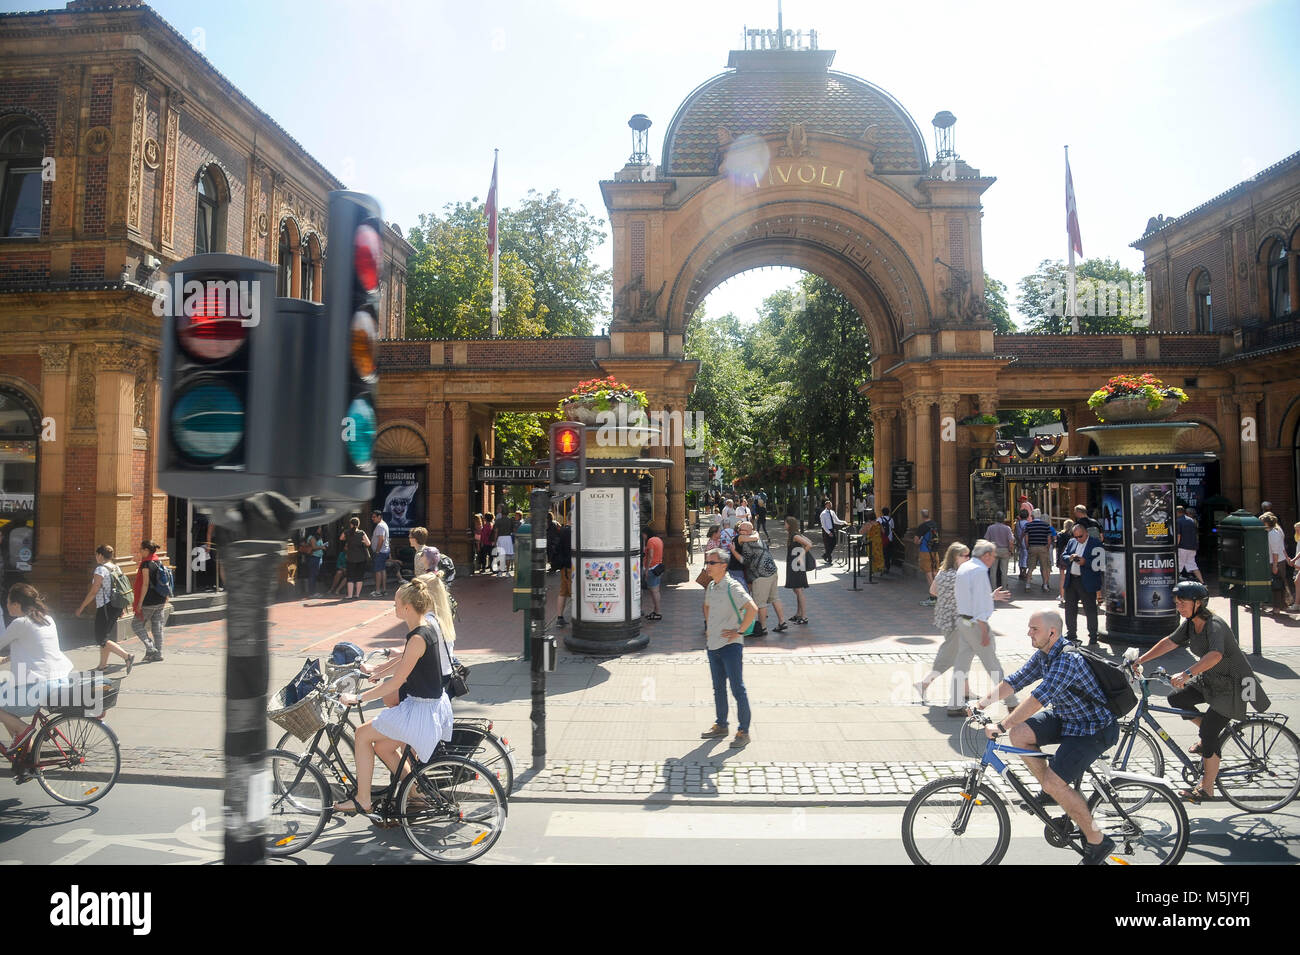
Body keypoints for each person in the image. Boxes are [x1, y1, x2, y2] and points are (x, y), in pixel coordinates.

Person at [969, 609, 1121, 864]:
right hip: (1067, 718)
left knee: (1050, 777)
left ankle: (1098, 840)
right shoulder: (1045, 654)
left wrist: (1002, 726)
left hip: (1093, 728)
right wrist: (981, 704)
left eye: (1034, 629)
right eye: (1029, 628)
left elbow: (1038, 699)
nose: (1028, 632)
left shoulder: (1067, 660)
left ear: (1052, 632)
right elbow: (1016, 680)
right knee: (1020, 734)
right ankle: (1053, 791)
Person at [1133, 580, 1272, 802]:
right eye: (1177, 602)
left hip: (1232, 686)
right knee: (1177, 698)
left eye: (1183, 602)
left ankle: (1207, 788)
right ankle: (1210, 733)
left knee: (1208, 733)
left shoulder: (1214, 624)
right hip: (1211, 680)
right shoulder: (1190, 623)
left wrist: (1187, 674)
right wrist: (1140, 659)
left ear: (1198, 603)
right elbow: (1169, 642)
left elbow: (1215, 655)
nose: (1178, 606)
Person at [334, 578, 454, 815]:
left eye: (396, 603)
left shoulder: (418, 636)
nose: (394, 608)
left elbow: (397, 682)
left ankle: (363, 799)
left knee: (361, 734)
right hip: (426, 706)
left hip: (421, 711)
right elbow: (403, 661)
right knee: (383, 747)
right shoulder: (424, 630)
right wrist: (378, 672)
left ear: (407, 607)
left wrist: (358, 698)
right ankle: (416, 793)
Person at [0, 583, 75, 748]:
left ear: (17, 604)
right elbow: (37, 650)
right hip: (59, 681)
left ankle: (22, 730)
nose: (6, 606)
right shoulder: (47, 619)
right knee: (4, 695)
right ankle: (27, 758)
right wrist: (6, 659)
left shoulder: (20, 623)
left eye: (8, 602)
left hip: (37, 687)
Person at [700, 547, 757, 749]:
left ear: (723, 566)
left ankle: (744, 731)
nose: (707, 566)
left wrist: (739, 632)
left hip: (730, 647)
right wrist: (709, 628)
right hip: (713, 644)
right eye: (707, 562)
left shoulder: (732, 586)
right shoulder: (712, 586)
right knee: (718, 689)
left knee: (737, 689)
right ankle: (722, 725)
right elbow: (706, 606)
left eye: (711, 563)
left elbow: (752, 608)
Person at [951, 540, 1013, 717]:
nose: (994, 559)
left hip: (963, 621)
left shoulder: (966, 567)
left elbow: (971, 597)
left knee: (961, 664)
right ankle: (1011, 701)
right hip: (975, 625)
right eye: (993, 555)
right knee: (992, 664)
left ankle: (954, 704)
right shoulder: (978, 571)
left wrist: (991, 596)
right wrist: (984, 630)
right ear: (986, 555)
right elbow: (978, 607)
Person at [915, 542, 976, 707]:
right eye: (964, 555)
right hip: (958, 623)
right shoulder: (959, 575)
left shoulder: (942, 573)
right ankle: (924, 684)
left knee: (963, 655)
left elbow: (932, 591)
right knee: (948, 657)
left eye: (968, 554)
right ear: (955, 558)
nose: (968, 558)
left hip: (947, 620)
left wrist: (947, 599)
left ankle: (965, 690)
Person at [75, 544, 133, 674]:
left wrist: (81, 607)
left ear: (100, 555)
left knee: (101, 638)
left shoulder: (100, 570)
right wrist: (122, 608)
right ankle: (102, 665)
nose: (96, 557)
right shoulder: (116, 567)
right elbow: (120, 588)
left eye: (96, 555)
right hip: (116, 605)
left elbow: (94, 591)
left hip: (106, 607)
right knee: (104, 636)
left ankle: (127, 657)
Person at [1058, 521, 1104, 645]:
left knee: (1090, 609)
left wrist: (1085, 562)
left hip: (1087, 580)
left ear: (1086, 533)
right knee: (1070, 608)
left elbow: (1100, 563)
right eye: (1076, 536)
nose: (1078, 539)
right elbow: (1064, 556)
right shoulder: (1072, 542)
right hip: (1072, 579)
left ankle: (1093, 635)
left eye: (1081, 536)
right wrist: (1071, 558)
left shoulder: (1096, 543)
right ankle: (1071, 633)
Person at [738, 520, 786, 634]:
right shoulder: (757, 538)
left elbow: (745, 561)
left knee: (760, 604)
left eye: (741, 530)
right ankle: (782, 621)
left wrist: (734, 552)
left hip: (761, 575)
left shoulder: (746, 543)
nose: (739, 532)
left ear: (747, 531)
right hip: (772, 570)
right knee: (775, 597)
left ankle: (763, 628)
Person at [131, 540, 170, 662]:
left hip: (149, 601)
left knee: (136, 624)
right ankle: (158, 654)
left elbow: (145, 584)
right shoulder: (159, 561)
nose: (139, 552)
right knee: (157, 628)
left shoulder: (146, 564)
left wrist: (140, 603)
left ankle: (150, 647)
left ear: (146, 550)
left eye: (141, 549)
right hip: (160, 599)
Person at [784, 516, 813, 625]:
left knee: (798, 590)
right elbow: (809, 542)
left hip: (796, 564)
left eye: (785, 523)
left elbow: (809, 544)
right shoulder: (795, 535)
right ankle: (799, 614)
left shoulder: (795, 535)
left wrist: (801, 556)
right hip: (794, 564)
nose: (784, 525)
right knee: (797, 590)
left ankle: (804, 616)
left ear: (790, 525)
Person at [1262, 512, 1290, 614]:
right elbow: (1281, 547)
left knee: (1276, 585)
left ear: (1266, 523)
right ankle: (1283, 605)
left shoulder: (1271, 534)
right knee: (1280, 583)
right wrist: (1287, 558)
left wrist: (1274, 565)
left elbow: (1275, 551)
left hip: (1275, 561)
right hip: (1280, 561)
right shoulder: (1277, 531)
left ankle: (1276, 608)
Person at [1022, 509, 1056, 593]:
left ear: (1032, 516)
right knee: (1044, 567)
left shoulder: (1028, 525)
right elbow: (1049, 539)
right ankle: (1045, 585)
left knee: (1030, 567)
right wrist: (1047, 548)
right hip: (1043, 547)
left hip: (1032, 547)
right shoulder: (1045, 525)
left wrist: (1027, 547)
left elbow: (1026, 538)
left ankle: (1028, 585)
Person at [914, 509, 940, 605]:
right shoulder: (935, 524)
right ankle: (938, 595)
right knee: (935, 572)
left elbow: (916, 541)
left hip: (925, 551)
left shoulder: (922, 527)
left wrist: (920, 540)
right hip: (935, 551)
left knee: (928, 574)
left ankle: (933, 597)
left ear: (922, 516)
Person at [341, 517, 371, 600]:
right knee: (359, 576)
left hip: (350, 558)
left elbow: (341, 538)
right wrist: (362, 541)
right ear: (358, 524)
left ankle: (349, 595)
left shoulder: (347, 532)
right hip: (361, 558)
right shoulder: (361, 533)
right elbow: (368, 543)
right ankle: (357, 594)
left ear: (350, 524)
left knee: (350, 576)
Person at [984, 515, 1014, 590]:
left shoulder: (990, 528)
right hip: (1004, 550)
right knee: (1004, 571)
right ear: (1003, 519)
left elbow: (986, 540)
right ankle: (1004, 588)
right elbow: (1011, 541)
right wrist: (1010, 550)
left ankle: (993, 589)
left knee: (993, 571)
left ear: (996, 519)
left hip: (993, 550)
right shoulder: (1007, 528)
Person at [1175, 505, 1204, 583]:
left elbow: (1178, 535)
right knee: (1193, 566)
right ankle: (1203, 582)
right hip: (1192, 547)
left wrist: (1176, 546)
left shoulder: (1178, 521)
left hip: (1182, 547)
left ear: (1177, 512)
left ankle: (1173, 584)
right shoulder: (1191, 520)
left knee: (1178, 566)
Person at [642, 528, 664, 621]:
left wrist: (646, 570)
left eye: (643, 535)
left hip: (651, 568)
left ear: (646, 534)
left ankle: (658, 612)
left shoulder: (650, 541)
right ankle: (656, 611)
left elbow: (650, 555)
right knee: (656, 590)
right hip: (657, 567)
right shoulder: (658, 539)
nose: (642, 536)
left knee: (654, 591)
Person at [555, 514, 573, 626]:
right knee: (573, 592)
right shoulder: (572, 531)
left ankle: (559, 617)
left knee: (563, 591)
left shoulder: (562, 530)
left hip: (563, 567)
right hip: (571, 566)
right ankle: (577, 619)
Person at [370, 510, 391, 597]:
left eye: (374, 517)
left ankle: (378, 591)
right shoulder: (384, 524)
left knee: (378, 571)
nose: (372, 519)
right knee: (382, 570)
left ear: (379, 517)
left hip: (381, 552)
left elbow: (381, 539)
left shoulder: (380, 526)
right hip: (384, 551)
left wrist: (377, 551)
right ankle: (384, 590)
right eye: (372, 517)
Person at [301, 526, 326, 596]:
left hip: (318, 557)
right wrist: (322, 547)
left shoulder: (318, 537)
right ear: (315, 529)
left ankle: (313, 592)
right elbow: (314, 547)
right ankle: (312, 593)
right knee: (312, 575)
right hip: (313, 558)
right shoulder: (312, 537)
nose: (320, 529)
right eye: (319, 528)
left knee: (314, 575)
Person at [820, 499, 846, 564]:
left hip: (832, 529)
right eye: (828, 505)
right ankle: (829, 558)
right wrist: (828, 532)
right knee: (827, 545)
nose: (830, 506)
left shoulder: (832, 512)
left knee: (834, 543)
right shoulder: (823, 514)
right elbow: (823, 525)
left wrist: (843, 522)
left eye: (830, 505)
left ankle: (825, 555)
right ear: (826, 506)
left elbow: (836, 520)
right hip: (826, 530)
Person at [1013, 507, 1031, 580]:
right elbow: (1028, 533)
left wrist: (1018, 540)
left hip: (1019, 541)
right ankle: (1024, 573)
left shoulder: (1017, 523)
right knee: (1026, 556)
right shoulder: (1027, 524)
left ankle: (1020, 572)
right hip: (1025, 541)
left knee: (1020, 556)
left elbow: (1015, 533)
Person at [877, 507, 896, 574]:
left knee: (881, 553)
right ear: (888, 512)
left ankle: (882, 566)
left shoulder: (879, 519)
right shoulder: (891, 519)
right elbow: (893, 528)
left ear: (882, 512)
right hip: (889, 538)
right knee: (888, 553)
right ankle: (887, 567)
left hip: (881, 539)